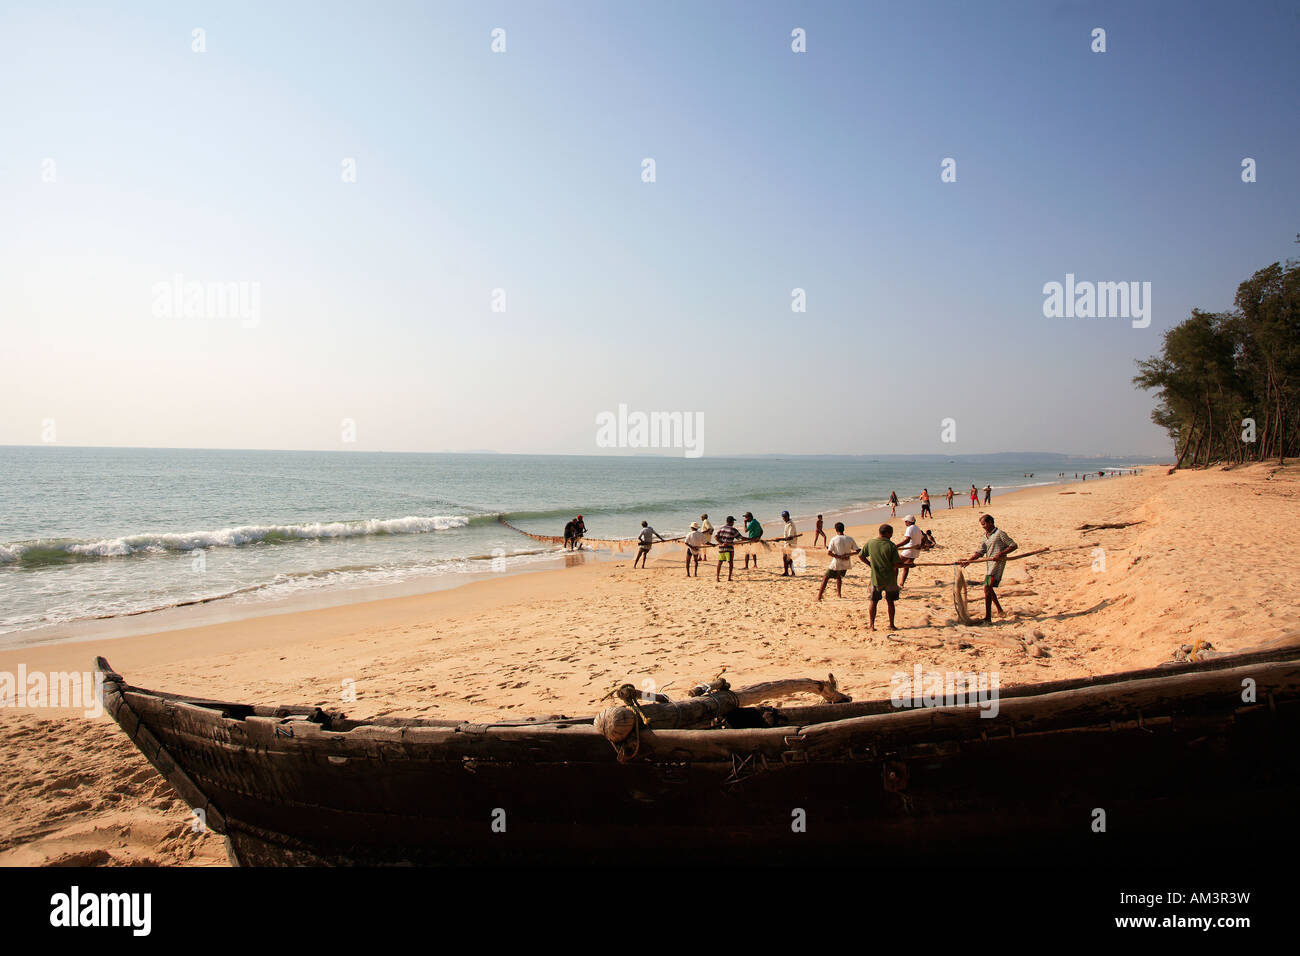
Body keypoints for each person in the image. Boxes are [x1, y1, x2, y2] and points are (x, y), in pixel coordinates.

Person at [960, 513, 1018, 624]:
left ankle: (988, 617)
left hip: (997, 565)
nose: (983, 526)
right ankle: (1000, 610)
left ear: (991, 522)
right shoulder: (985, 536)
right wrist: (969, 561)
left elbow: (1013, 545)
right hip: (989, 565)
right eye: (982, 524)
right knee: (989, 588)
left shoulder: (1000, 534)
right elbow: (980, 551)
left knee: (987, 588)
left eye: (984, 524)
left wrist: (1001, 554)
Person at [859, 524, 902, 630]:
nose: (892, 535)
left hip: (876, 578)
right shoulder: (891, 545)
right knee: (890, 602)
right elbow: (896, 564)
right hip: (890, 579)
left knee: (873, 602)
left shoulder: (871, 543)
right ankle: (891, 625)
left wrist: (870, 564)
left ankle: (871, 625)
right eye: (891, 532)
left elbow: (861, 555)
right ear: (887, 533)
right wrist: (908, 565)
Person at [816, 522, 857, 600]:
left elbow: (829, 552)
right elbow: (858, 551)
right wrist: (848, 555)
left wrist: (839, 557)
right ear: (843, 529)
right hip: (846, 564)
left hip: (836, 563)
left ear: (835, 530)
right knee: (838, 577)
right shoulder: (849, 539)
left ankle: (819, 596)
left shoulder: (834, 539)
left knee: (825, 577)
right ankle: (839, 594)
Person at [896, 514, 923, 588]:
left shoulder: (910, 528)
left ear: (909, 522)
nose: (905, 522)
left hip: (909, 550)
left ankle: (894, 583)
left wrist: (896, 546)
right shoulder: (917, 528)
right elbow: (923, 538)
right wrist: (920, 546)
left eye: (905, 521)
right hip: (915, 551)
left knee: (895, 565)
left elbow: (907, 540)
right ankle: (901, 584)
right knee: (906, 566)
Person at [714, 516, 742, 582]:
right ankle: (729, 577)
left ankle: (717, 578)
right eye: (733, 522)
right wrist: (750, 539)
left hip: (721, 548)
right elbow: (741, 537)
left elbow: (715, 537)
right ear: (731, 522)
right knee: (730, 563)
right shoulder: (733, 529)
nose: (733, 523)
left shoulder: (721, 528)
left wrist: (721, 543)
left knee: (720, 563)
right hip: (729, 549)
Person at [780, 510, 798, 576]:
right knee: (785, 558)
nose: (784, 518)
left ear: (788, 516)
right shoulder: (787, 523)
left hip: (791, 543)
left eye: (785, 517)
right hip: (786, 543)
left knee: (788, 558)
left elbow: (790, 537)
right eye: (783, 517)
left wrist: (780, 539)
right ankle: (787, 572)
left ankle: (791, 572)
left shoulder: (791, 524)